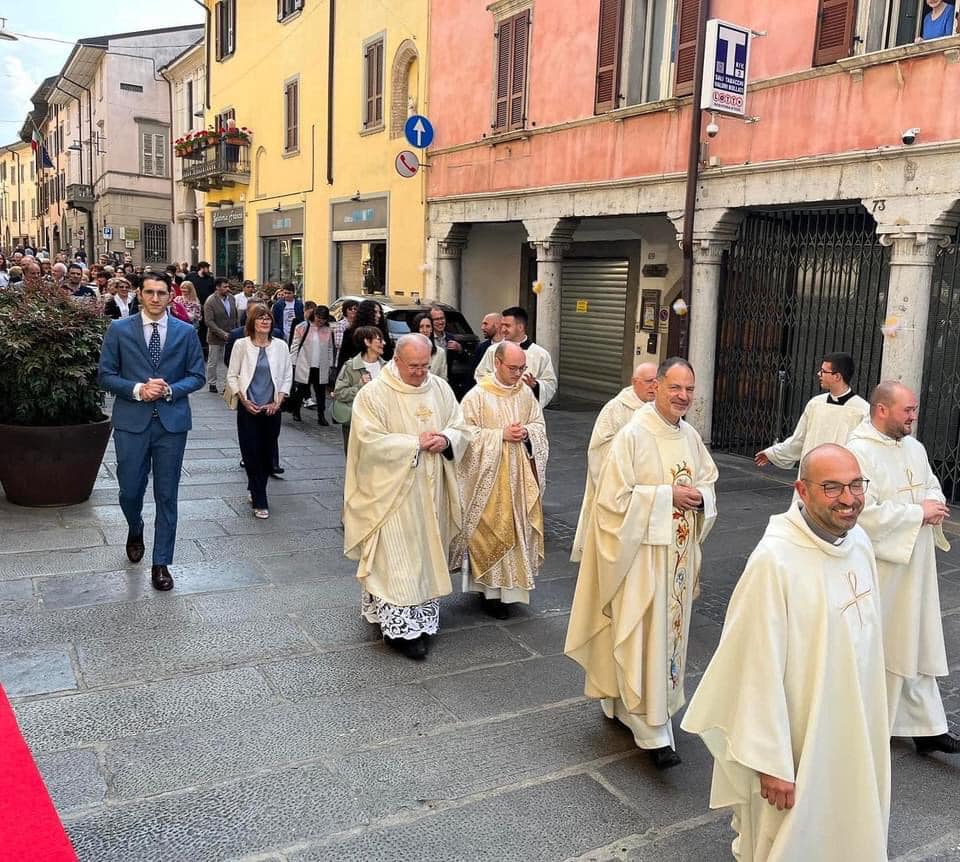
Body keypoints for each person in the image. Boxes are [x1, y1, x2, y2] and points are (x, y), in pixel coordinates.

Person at [682, 444, 890, 861]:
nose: (849, 499)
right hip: (797, 744)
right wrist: (771, 762)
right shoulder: (775, 561)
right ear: (802, 490)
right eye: (832, 487)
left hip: (855, 729)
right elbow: (753, 669)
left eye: (856, 485)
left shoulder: (859, 543)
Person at [564, 357, 718, 769]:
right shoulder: (633, 435)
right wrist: (667, 496)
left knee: (663, 641)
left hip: (676, 563)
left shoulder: (690, 436)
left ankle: (632, 707)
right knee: (640, 635)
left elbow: (707, 480)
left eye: (689, 389)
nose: (683, 396)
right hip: (641, 560)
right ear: (657, 387)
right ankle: (651, 731)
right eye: (675, 388)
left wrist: (702, 497)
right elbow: (611, 503)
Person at [846, 381, 960, 756]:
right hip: (885, 569)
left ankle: (927, 726)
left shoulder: (915, 448)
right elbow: (862, 512)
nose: (914, 416)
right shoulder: (858, 452)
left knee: (916, 639)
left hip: (917, 563)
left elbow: (931, 484)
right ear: (882, 410)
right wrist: (917, 513)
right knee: (890, 645)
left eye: (914, 409)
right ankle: (877, 724)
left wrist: (933, 503)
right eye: (907, 410)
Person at [343, 334, 470, 659]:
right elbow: (368, 442)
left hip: (432, 490)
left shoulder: (439, 388)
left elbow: (460, 426)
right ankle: (400, 631)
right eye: (413, 366)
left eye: (425, 365)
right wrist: (414, 444)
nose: (420, 372)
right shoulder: (374, 394)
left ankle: (421, 621)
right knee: (397, 559)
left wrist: (446, 439)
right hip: (392, 495)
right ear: (396, 360)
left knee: (425, 554)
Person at [97, 273, 206, 591]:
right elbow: (105, 375)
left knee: (167, 494)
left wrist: (170, 389)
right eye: (149, 292)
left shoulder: (185, 332)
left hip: (172, 424)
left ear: (170, 296)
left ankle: (161, 563)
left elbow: (197, 375)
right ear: (139, 294)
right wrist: (138, 389)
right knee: (130, 490)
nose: (155, 298)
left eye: (161, 292)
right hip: (131, 422)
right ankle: (135, 526)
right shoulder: (119, 329)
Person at [455, 341, 549, 619]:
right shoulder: (477, 396)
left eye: (522, 368)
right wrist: (500, 436)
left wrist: (528, 433)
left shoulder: (525, 393)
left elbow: (539, 424)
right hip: (489, 481)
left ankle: (511, 590)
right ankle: (490, 592)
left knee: (517, 531)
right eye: (513, 368)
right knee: (491, 530)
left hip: (519, 478)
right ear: (497, 363)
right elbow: (463, 435)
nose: (518, 374)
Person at [571, 362, 659, 561]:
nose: (653, 387)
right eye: (648, 382)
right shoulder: (615, 408)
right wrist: (630, 452)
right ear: (634, 382)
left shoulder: (660, 408)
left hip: (648, 486)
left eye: (657, 382)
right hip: (620, 485)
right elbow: (598, 448)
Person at [226, 305, 293, 519]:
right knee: (250, 453)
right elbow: (232, 375)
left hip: (271, 408)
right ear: (252, 322)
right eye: (260, 318)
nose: (265, 321)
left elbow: (287, 375)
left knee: (266, 454)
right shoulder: (241, 345)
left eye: (268, 318)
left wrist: (278, 401)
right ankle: (260, 499)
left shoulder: (281, 346)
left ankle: (255, 487)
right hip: (249, 408)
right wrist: (243, 400)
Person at [754, 352, 868, 475]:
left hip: (840, 476)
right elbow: (799, 439)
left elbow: (865, 451)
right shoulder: (815, 404)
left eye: (823, 371)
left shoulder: (862, 410)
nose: (819, 374)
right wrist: (772, 453)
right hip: (811, 473)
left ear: (837, 376)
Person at [474, 306, 558, 406]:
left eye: (507, 326)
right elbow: (480, 374)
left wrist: (535, 386)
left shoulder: (540, 354)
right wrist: (498, 383)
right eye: (502, 325)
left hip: (526, 407)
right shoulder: (493, 350)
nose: (503, 329)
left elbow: (550, 383)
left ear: (520, 327)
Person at [332, 326, 386, 454]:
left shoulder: (387, 367)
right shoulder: (351, 366)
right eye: (379, 340)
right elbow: (339, 393)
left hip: (381, 423)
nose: (384, 343)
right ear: (367, 342)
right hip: (356, 422)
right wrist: (359, 386)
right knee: (354, 458)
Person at [289, 305, 336, 424]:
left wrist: (331, 364)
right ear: (314, 315)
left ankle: (321, 416)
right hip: (304, 363)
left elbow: (330, 348)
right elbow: (295, 345)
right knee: (301, 389)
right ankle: (296, 411)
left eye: (323, 319)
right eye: (318, 318)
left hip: (321, 365)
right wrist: (293, 362)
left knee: (320, 392)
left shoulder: (327, 330)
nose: (320, 321)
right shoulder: (302, 327)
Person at [336, 298, 392, 371]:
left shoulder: (382, 332)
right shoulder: (351, 333)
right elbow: (343, 359)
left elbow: (388, 355)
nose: (379, 315)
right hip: (357, 373)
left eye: (380, 312)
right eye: (375, 312)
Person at [203, 277, 239, 393]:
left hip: (231, 335)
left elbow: (235, 317)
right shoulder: (210, 301)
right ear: (217, 287)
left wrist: (236, 332)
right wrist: (222, 333)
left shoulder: (232, 298)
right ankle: (212, 383)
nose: (227, 288)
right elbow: (209, 321)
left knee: (229, 361)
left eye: (228, 286)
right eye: (225, 287)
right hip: (215, 337)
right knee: (213, 362)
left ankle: (227, 385)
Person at [413, 312, 445, 378]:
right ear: (416, 329)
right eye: (421, 327)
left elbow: (443, 378)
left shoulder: (440, 353)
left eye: (428, 326)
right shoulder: (406, 351)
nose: (425, 330)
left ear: (431, 329)